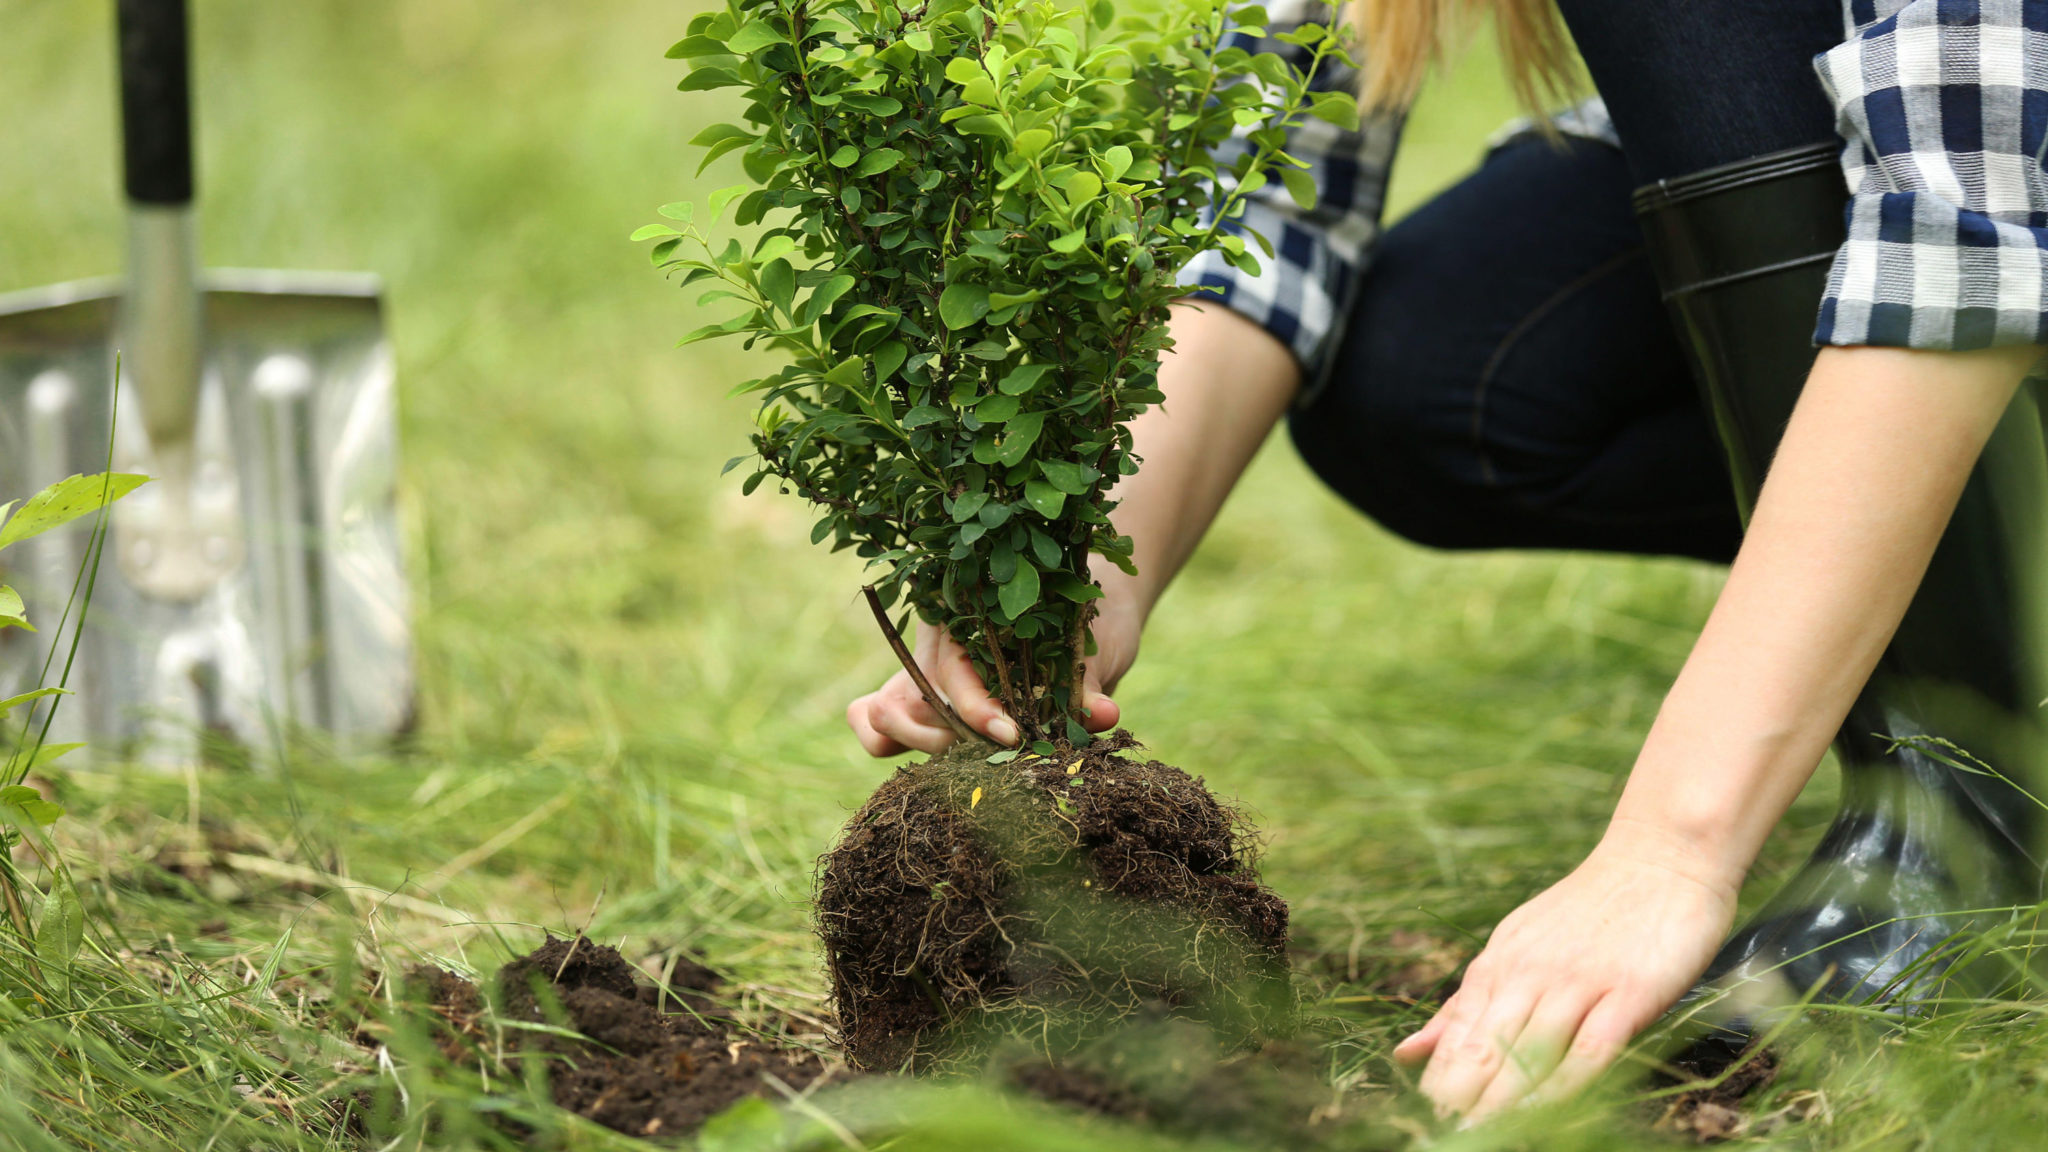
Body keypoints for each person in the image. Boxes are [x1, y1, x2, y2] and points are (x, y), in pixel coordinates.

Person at [847, 0, 2048, 1123]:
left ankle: (1967, 802)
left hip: (1989, 153)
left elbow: (1961, 226)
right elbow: (1264, 195)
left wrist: (1667, 851)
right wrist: (1086, 570)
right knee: (1437, 378)